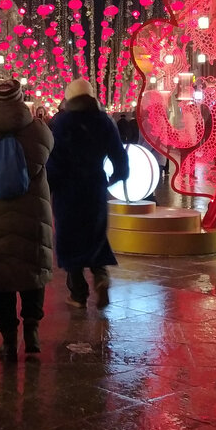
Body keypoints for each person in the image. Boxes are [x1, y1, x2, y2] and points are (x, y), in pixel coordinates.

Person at [0, 78, 54, 361]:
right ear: (20, 97)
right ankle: (32, 331)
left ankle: (7, 339)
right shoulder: (39, 131)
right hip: (32, 211)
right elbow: (50, 147)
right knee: (32, 271)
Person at [47, 78, 128, 309]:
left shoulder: (60, 123)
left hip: (67, 189)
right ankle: (100, 276)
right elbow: (118, 154)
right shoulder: (104, 121)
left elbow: (53, 160)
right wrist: (119, 176)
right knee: (95, 233)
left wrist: (49, 186)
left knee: (69, 236)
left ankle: (78, 293)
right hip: (95, 185)